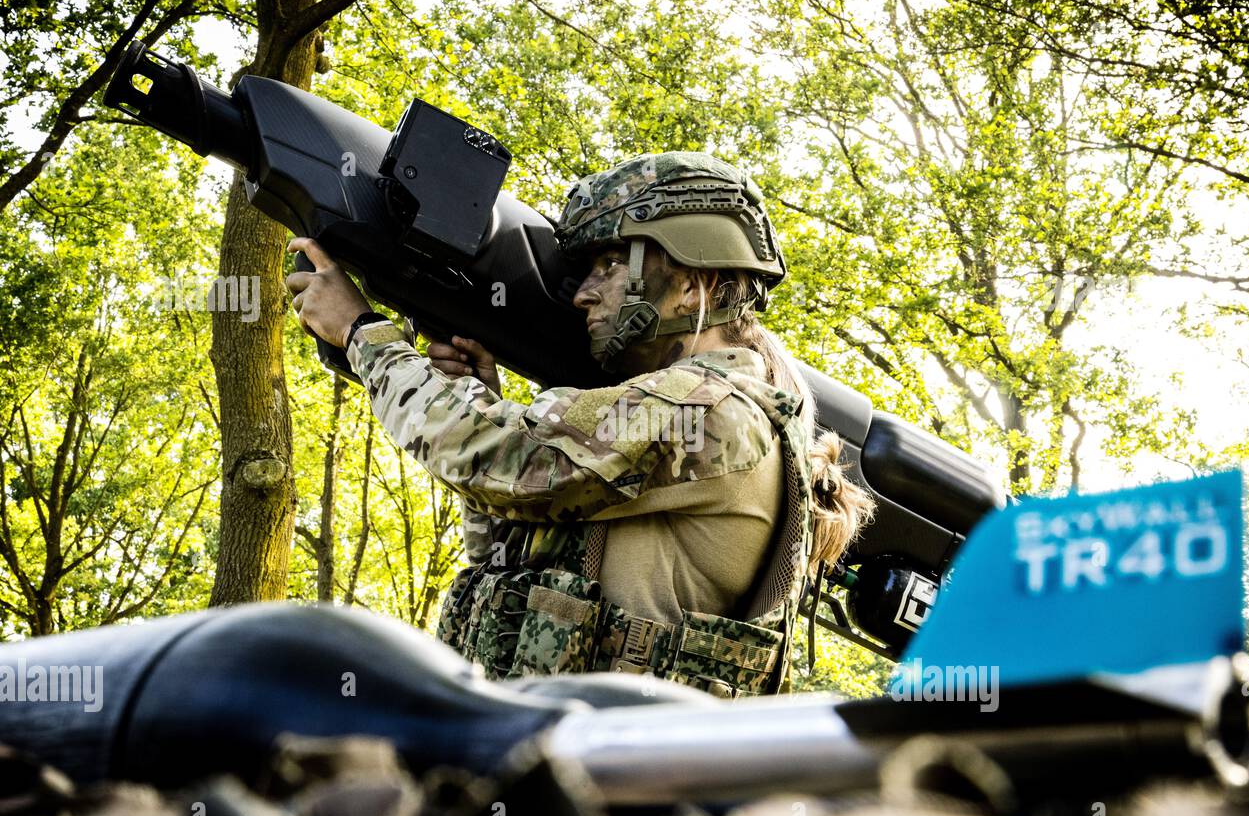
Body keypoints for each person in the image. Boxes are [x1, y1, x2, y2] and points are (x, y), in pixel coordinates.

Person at [286, 151, 872, 696]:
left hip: (608, 776)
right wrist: (476, 397)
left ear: (693, 285)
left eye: (611, 265)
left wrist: (363, 335)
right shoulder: (688, 405)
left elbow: (498, 461)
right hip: (558, 751)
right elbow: (503, 536)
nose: (583, 294)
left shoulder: (710, 408)